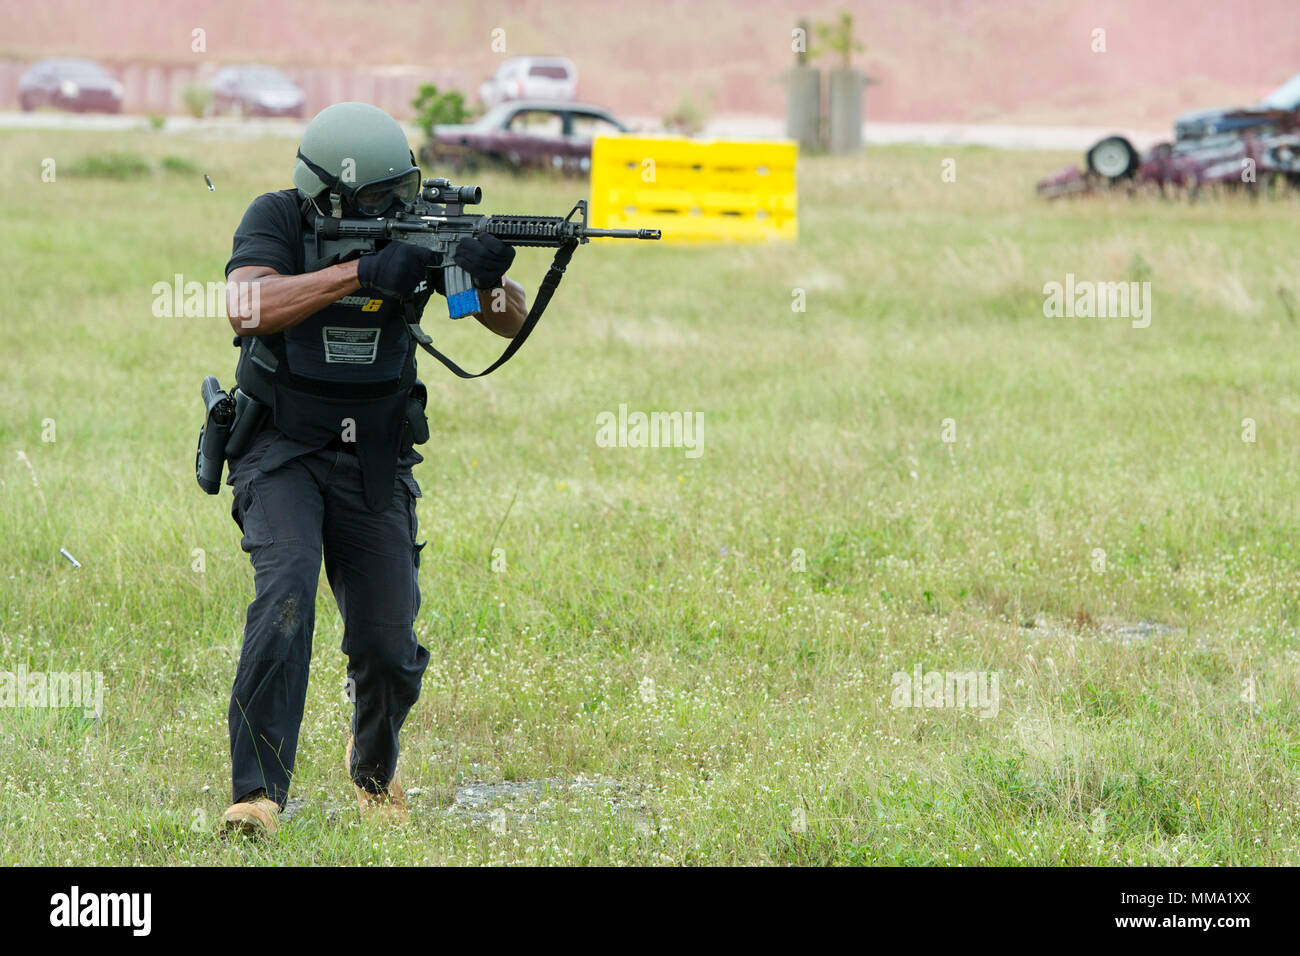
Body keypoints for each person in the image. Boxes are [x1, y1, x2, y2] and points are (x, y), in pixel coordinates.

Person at [218, 101, 527, 835]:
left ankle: (374, 771)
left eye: (402, 192)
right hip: (282, 449)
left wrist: (478, 279)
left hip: (377, 456)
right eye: (378, 200)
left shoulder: (418, 228)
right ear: (327, 195)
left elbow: (507, 316)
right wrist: (361, 271)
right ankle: (258, 794)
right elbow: (244, 304)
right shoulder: (279, 218)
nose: (397, 208)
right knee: (286, 599)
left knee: (389, 641)